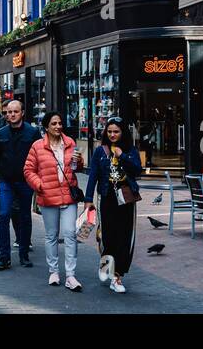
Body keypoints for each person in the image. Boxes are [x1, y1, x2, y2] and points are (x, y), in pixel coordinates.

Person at [23, 111, 84, 291]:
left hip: (68, 196)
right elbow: (28, 170)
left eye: (60, 123)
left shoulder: (70, 143)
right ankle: (54, 271)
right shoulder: (37, 146)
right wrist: (39, 185)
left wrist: (79, 162)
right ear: (46, 127)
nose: (58, 126)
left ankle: (71, 275)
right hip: (48, 197)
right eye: (54, 124)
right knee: (51, 236)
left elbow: (76, 168)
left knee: (70, 234)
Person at [84, 116, 142, 293]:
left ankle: (117, 277)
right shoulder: (100, 151)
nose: (112, 135)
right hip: (106, 197)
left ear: (122, 132)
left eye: (116, 131)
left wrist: (122, 156)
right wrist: (88, 199)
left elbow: (137, 170)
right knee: (108, 234)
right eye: (109, 132)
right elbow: (93, 175)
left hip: (126, 198)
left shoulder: (130, 150)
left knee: (124, 237)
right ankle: (105, 263)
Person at [0, 100, 41, 270]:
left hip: (26, 181)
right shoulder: (0, 133)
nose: (11, 115)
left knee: (25, 217)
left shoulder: (33, 133)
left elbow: (39, 157)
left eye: (15, 111)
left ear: (22, 113)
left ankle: (24, 254)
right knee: (4, 215)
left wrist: (37, 180)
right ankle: (4, 257)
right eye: (8, 112)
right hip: (6, 181)